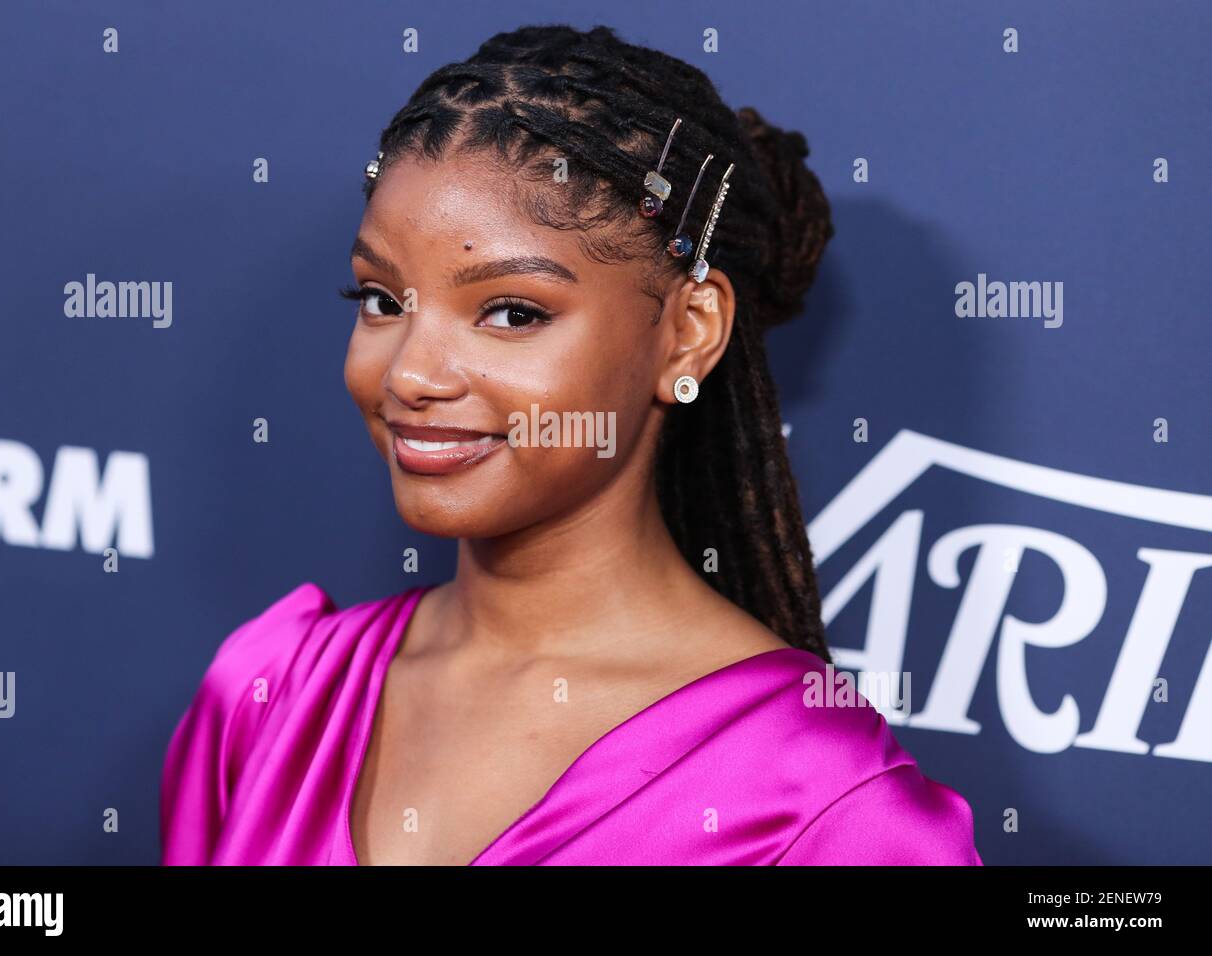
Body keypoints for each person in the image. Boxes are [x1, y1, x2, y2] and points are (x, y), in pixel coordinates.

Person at [160, 24, 981, 866]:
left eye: (512, 312)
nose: (410, 373)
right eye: (380, 300)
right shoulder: (272, 693)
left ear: (689, 333)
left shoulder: (820, 803)